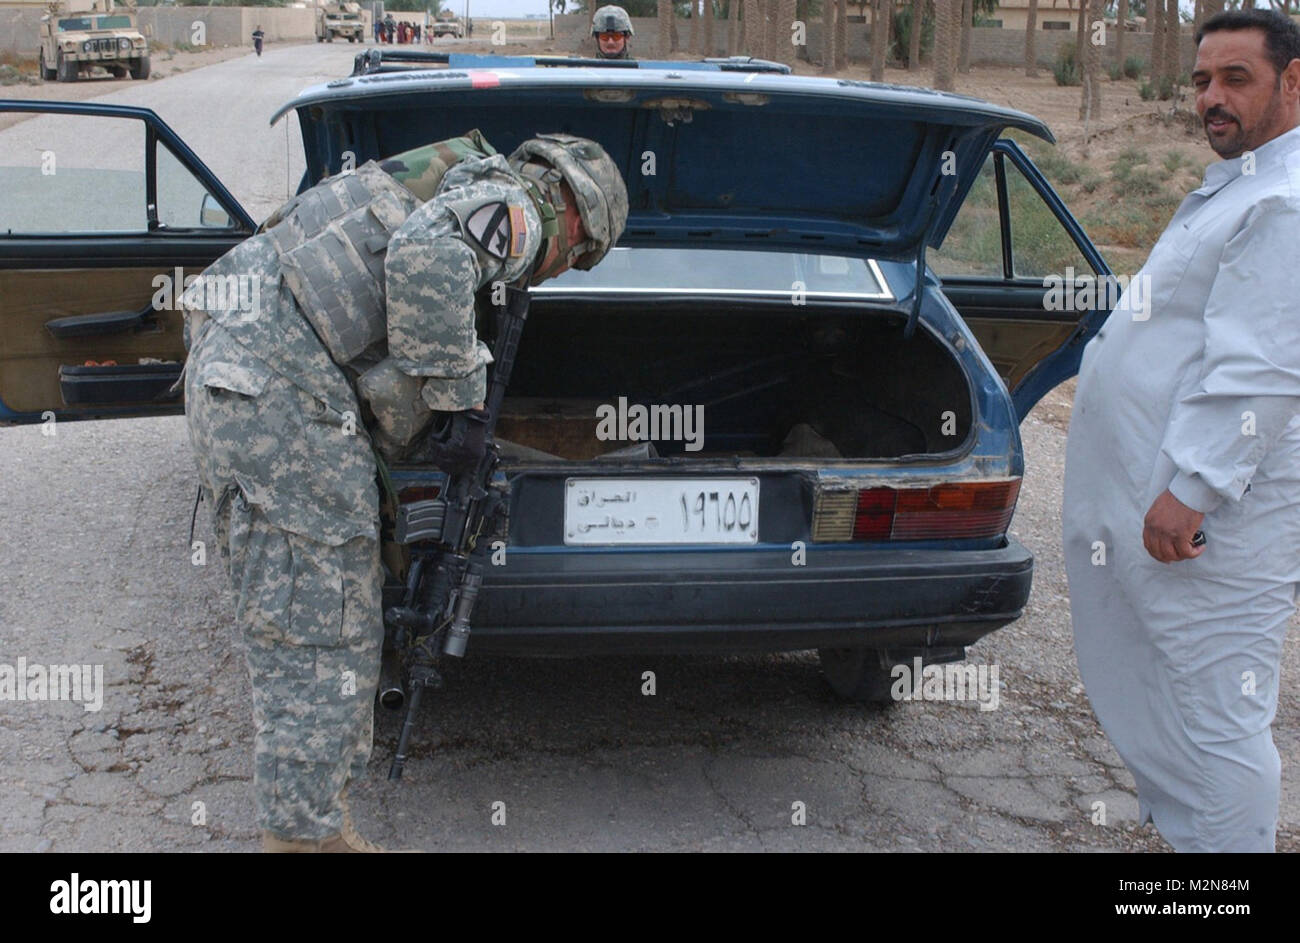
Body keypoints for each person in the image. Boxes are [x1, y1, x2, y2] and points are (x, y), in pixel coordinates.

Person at [183, 131, 628, 852]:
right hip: (278, 391)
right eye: (577, 258)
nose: (557, 268)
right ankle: (304, 840)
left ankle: (317, 828)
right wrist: (460, 400)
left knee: (329, 621)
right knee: (318, 631)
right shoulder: (524, 209)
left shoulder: (456, 177)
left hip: (262, 378)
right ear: (578, 220)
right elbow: (431, 251)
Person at [1063, 9, 1300, 853]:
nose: (1212, 98)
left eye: (1236, 78)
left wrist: (1192, 488)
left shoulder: (1286, 201)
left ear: (1294, 81)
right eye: (1202, 80)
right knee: (1172, 699)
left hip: (1215, 523)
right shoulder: (1242, 186)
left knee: (1217, 716)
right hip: (1169, 502)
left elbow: (1264, 368)